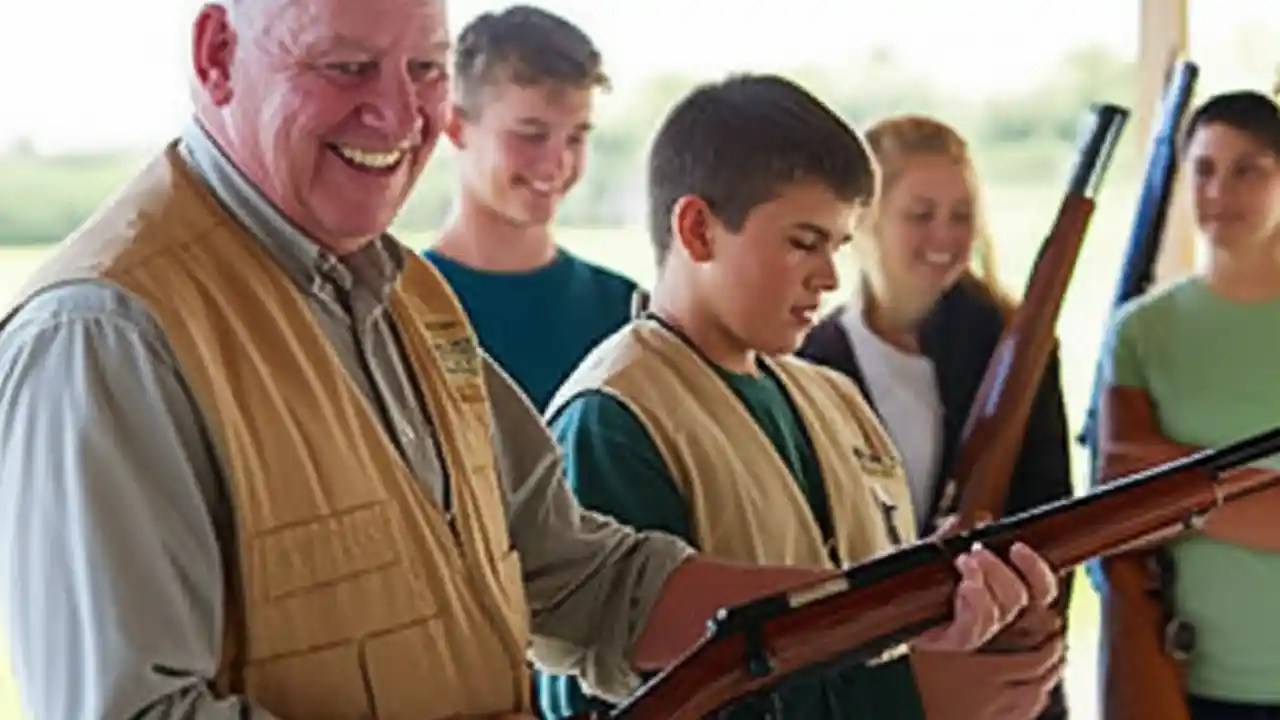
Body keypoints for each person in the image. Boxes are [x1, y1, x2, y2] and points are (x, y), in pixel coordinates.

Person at [0, 1, 1056, 719]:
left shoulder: (401, 295)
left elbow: (581, 575)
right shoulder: (108, 331)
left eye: (421, 69)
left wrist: (898, 604)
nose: (394, 112)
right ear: (216, 54)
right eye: (343, 66)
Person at [537, 75, 1065, 720]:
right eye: (803, 242)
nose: (830, 276)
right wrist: (908, 702)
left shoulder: (834, 399)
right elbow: (600, 699)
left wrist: (971, 616)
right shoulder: (613, 418)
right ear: (698, 229)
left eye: (839, 245)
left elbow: (874, 625)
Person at [797, 115, 1074, 718]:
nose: (944, 236)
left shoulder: (1014, 345)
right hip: (874, 681)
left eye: (961, 214)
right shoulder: (811, 361)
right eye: (920, 215)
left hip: (1007, 675)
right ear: (867, 218)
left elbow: (1049, 513)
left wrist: (1019, 653)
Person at [1096, 90, 1280, 720]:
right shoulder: (1141, 331)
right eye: (1202, 168)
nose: (1218, 190)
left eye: (1246, 170)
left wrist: (1177, 489)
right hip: (1183, 683)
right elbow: (1118, 489)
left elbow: (1144, 487)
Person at [424, 6, 638, 411]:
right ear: (455, 127)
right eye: (532, 135)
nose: (557, 163)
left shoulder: (625, 312)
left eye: (575, 138)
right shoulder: (400, 308)